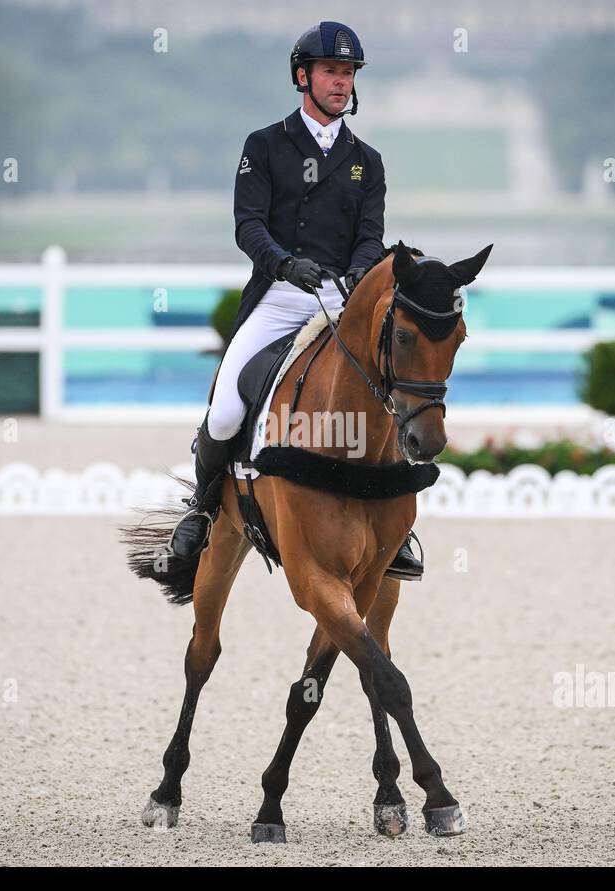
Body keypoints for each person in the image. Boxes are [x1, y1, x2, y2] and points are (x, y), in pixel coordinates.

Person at [167, 21, 424, 581]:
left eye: (349, 73)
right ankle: (203, 509)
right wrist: (284, 263)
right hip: (280, 296)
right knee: (229, 407)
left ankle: (395, 528)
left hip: (339, 303)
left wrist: (358, 272)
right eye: (332, 71)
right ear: (303, 76)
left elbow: (370, 234)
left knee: (385, 397)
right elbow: (248, 226)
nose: (341, 82)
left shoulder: (367, 160)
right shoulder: (264, 146)